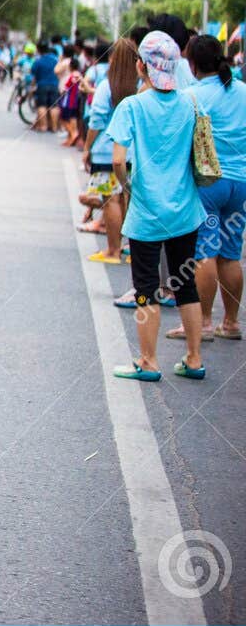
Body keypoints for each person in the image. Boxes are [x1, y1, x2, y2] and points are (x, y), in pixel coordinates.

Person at [107, 31, 206, 382]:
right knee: (185, 284)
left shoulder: (131, 106)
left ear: (141, 66)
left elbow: (118, 160)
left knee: (146, 288)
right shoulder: (190, 103)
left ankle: (148, 363)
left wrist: (128, 186)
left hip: (147, 211)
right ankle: (193, 359)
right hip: (185, 210)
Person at [186, 35, 246, 342]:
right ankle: (232, 323)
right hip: (241, 185)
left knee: (205, 252)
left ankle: (205, 322)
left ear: (193, 64)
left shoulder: (192, 95)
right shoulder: (243, 91)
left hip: (210, 183)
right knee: (230, 253)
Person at [82, 38, 137, 264]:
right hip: (132, 152)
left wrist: (87, 148)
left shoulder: (107, 85)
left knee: (110, 200)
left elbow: (96, 121)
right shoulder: (139, 87)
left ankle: (113, 250)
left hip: (106, 150)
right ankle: (125, 247)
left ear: (114, 58)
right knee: (125, 198)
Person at [29, 37, 61, 132]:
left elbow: (34, 75)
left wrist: (32, 87)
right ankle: (54, 127)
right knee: (54, 106)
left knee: (41, 105)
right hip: (54, 85)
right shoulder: (55, 59)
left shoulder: (38, 61)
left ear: (38, 49)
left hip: (42, 85)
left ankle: (43, 126)